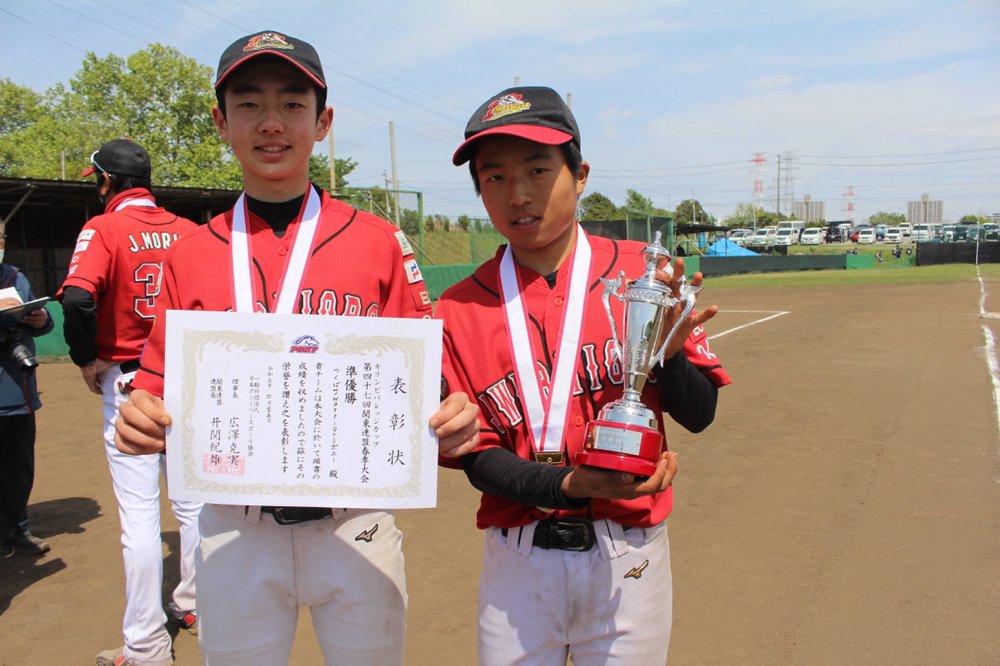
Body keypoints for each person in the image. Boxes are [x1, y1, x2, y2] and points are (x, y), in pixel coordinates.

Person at [113, 31, 479, 666]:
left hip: (355, 524)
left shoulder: (378, 243)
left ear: (324, 121)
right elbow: (154, 385)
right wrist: (139, 414)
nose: (272, 123)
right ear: (221, 122)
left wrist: (454, 415)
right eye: (249, 104)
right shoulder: (192, 252)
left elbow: (433, 383)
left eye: (293, 103)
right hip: (234, 527)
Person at [436, 87, 731, 665]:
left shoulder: (644, 274)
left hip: (630, 558)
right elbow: (478, 459)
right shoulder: (458, 308)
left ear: (581, 173)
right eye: (493, 177)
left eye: (539, 169)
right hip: (516, 564)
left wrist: (667, 349)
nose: (518, 194)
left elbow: (700, 415)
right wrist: (572, 486)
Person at [55, 139, 202, 666]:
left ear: (106, 181)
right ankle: (195, 604)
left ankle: (145, 645)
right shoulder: (188, 230)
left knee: (139, 515)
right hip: (187, 378)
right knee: (193, 505)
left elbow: (76, 297)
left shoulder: (104, 227)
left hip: (130, 382)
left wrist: (85, 359)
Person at [0, 222, 53, 556]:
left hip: (17, 392)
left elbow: (43, 319)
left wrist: (41, 319)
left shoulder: (14, 276)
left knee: (18, 469)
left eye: (0, 237)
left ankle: (16, 529)